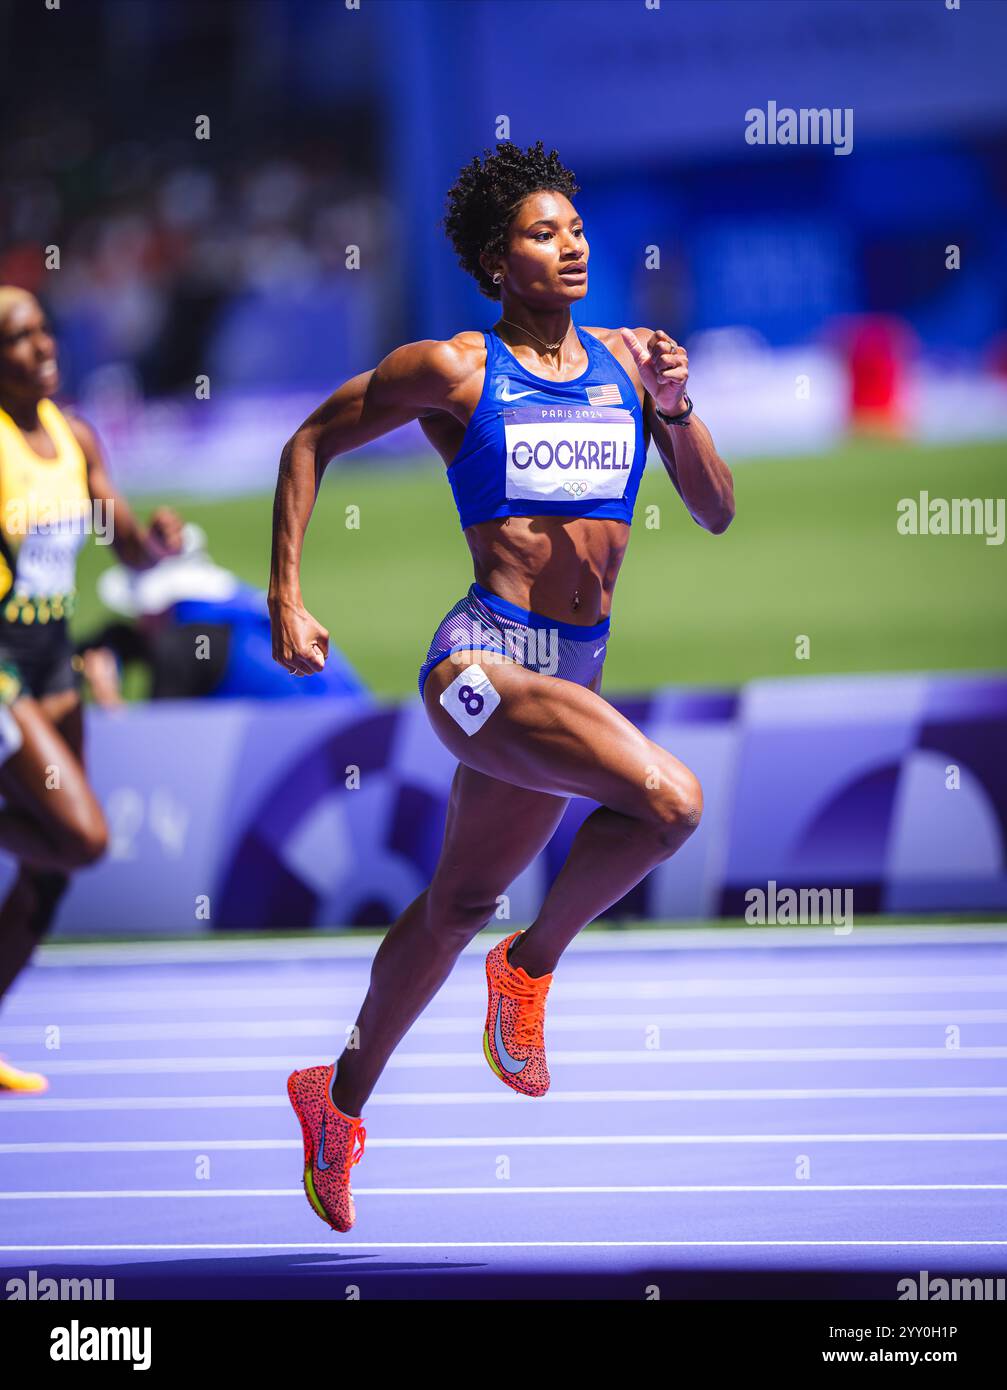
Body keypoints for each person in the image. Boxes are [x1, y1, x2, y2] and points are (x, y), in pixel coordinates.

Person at [269, 142, 735, 1232]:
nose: (568, 245)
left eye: (573, 227)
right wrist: (284, 596)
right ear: (495, 261)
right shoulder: (454, 370)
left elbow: (712, 508)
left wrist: (673, 405)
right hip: (480, 661)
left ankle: (332, 1102)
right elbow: (309, 440)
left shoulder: (631, 360)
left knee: (456, 905)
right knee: (668, 802)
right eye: (540, 233)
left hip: (570, 672)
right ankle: (526, 972)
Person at [0, 286, 183, 1092]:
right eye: (18, 336)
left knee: (50, 874)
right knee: (82, 838)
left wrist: (157, 541)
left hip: (53, 669)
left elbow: (128, 551)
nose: (43, 344)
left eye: (44, 327)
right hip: (1, 673)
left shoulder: (75, 438)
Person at [78, 523, 368, 703]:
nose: (137, 621)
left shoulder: (187, 643)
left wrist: (107, 697)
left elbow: (153, 757)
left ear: (160, 606)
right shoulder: (228, 615)